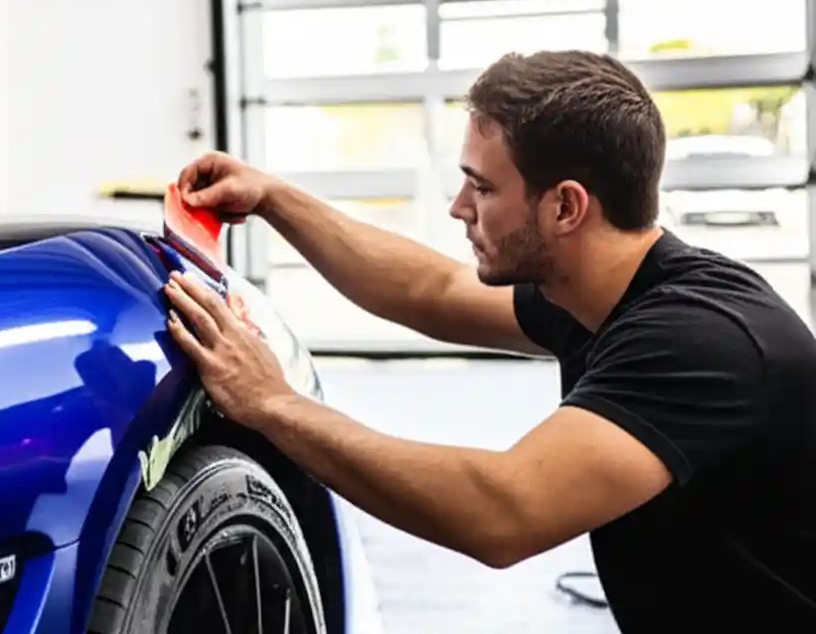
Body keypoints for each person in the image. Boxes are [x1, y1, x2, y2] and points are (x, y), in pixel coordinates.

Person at [162, 50, 816, 632]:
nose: (459, 207)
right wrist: (273, 198)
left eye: (482, 186)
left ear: (565, 207)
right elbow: (432, 291)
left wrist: (273, 403)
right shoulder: (602, 289)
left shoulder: (698, 342)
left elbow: (502, 511)